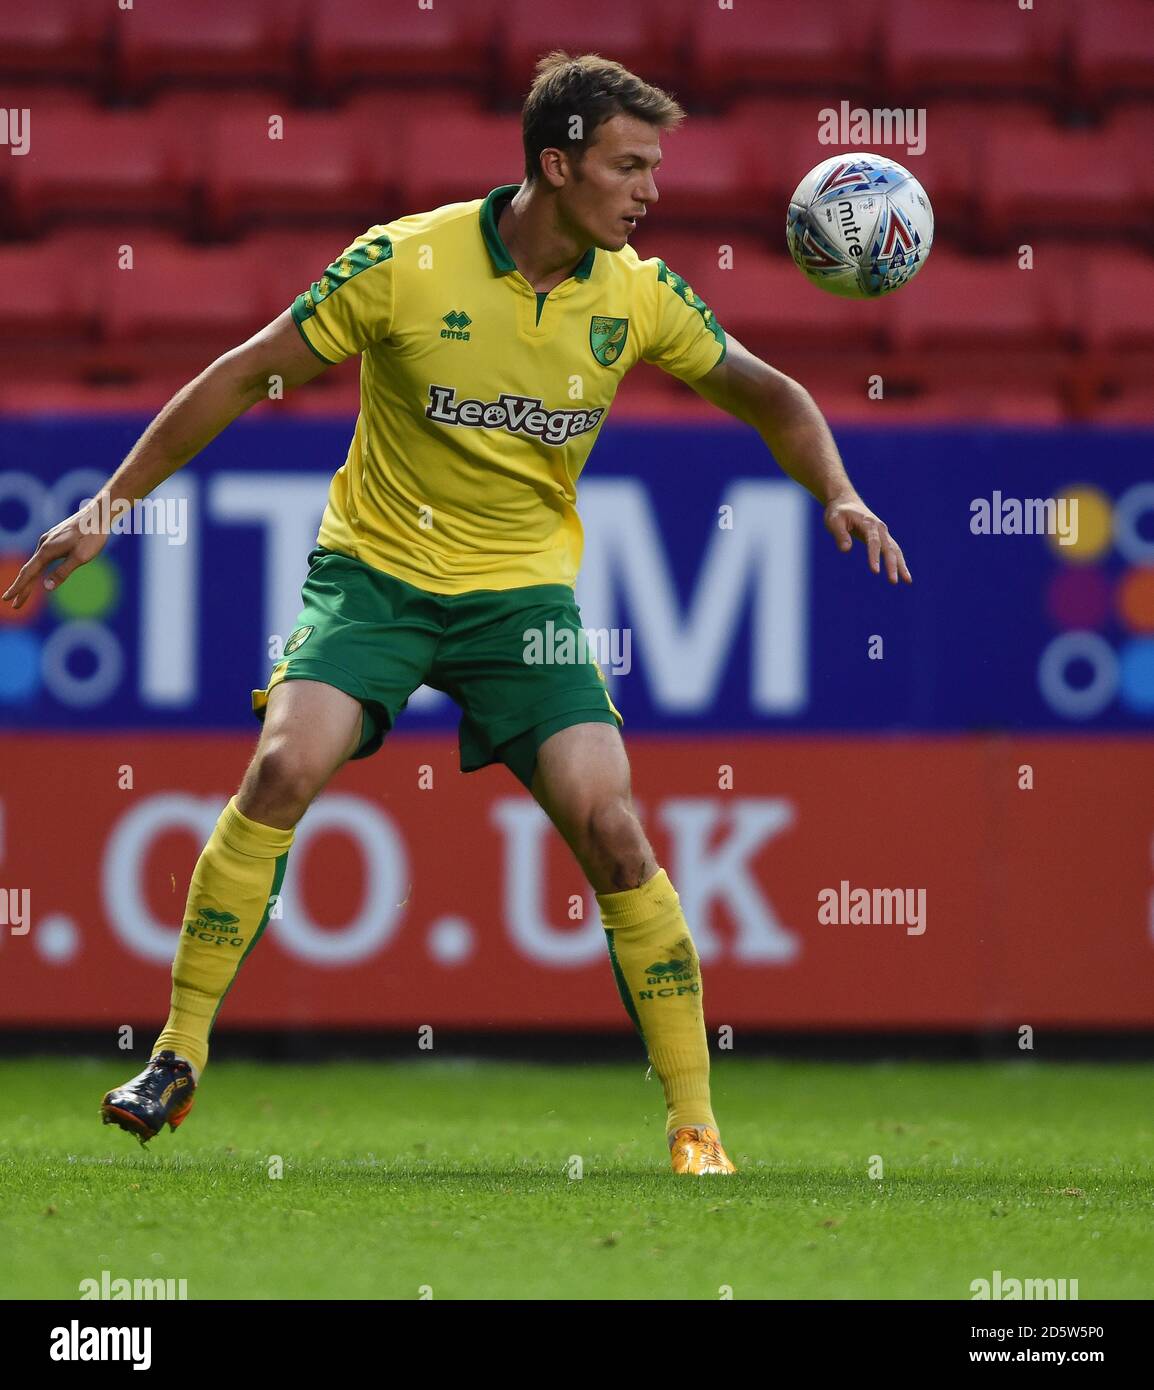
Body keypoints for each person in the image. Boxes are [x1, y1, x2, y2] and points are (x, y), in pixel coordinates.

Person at [2, 52, 910, 1177]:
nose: (648, 192)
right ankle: (176, 1054)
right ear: (555, 163)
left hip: (520, 601)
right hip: (374, 576)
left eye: (652, 169)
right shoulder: (405, 261)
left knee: (613, 829)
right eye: (627, 167)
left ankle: (694, 1124)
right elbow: (243, 373)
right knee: (283, 767)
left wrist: (836, 487)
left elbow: (768, 391)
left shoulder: (636, 294)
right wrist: (106, 508)